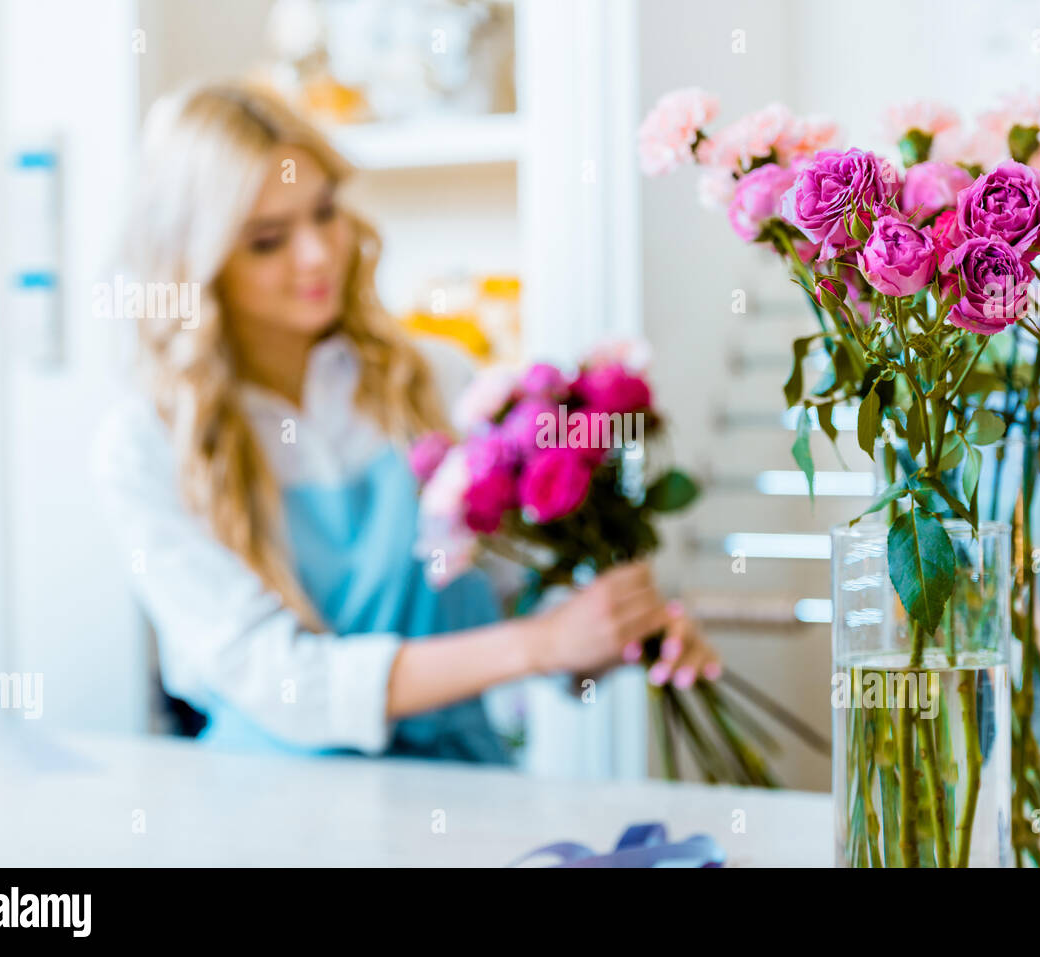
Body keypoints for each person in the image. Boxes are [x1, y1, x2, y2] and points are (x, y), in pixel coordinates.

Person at [92, 83, 719, 763]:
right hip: (268, 806)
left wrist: (611, 635)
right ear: (198, 265)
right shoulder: (146, 446)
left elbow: (522, 601)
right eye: (268, 240)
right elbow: (281, 682)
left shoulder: (436, 380)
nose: (317, 255)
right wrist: (539, 644)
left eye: (324, 212)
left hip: (463, 790)